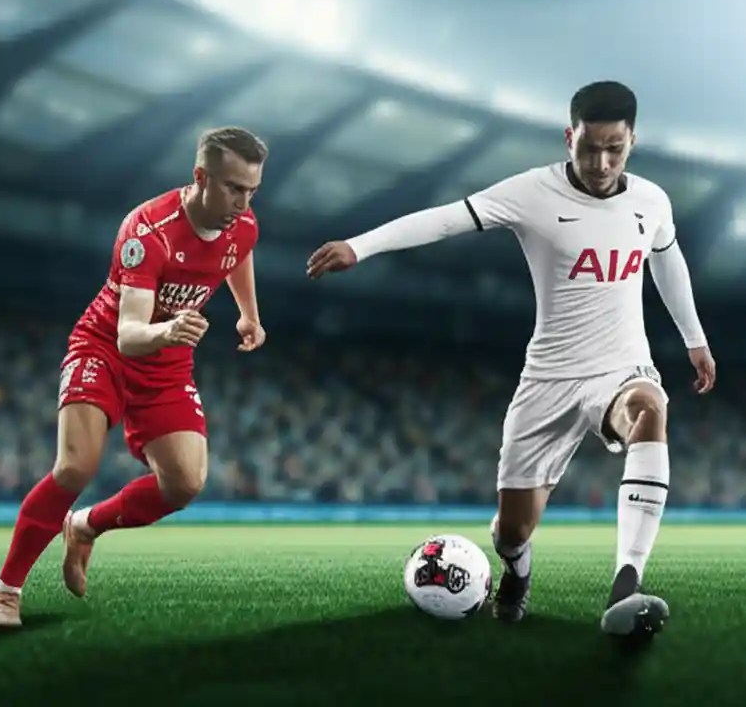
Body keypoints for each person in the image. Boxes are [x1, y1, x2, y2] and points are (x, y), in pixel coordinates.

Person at [306, 81, 715, 639]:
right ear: (569, 136)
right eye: (588, 147)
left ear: (632, 142)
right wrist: (361, 245)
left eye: (614, 149)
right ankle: (516, 573)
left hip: (622, 368)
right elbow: (447, 218)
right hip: (548, 379)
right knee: (511, 531)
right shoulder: (533, 192)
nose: (600, 162)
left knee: (650, 408)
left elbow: (667, 262)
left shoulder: (651, 201)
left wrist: (694, 339)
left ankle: (627, 584)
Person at [0, 127, 270, 627]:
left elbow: (237, 252)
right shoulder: (147, 231)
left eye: (251, 191)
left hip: (167, 363)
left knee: (185, 483)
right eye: (232, 188)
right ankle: (7, 589)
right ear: (200, 176)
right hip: (106, 348)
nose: (242, 203)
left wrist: (248, 312)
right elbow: (129, 335)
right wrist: (173, 328)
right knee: (75, 468)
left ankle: (86, 526)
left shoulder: (242, 223)